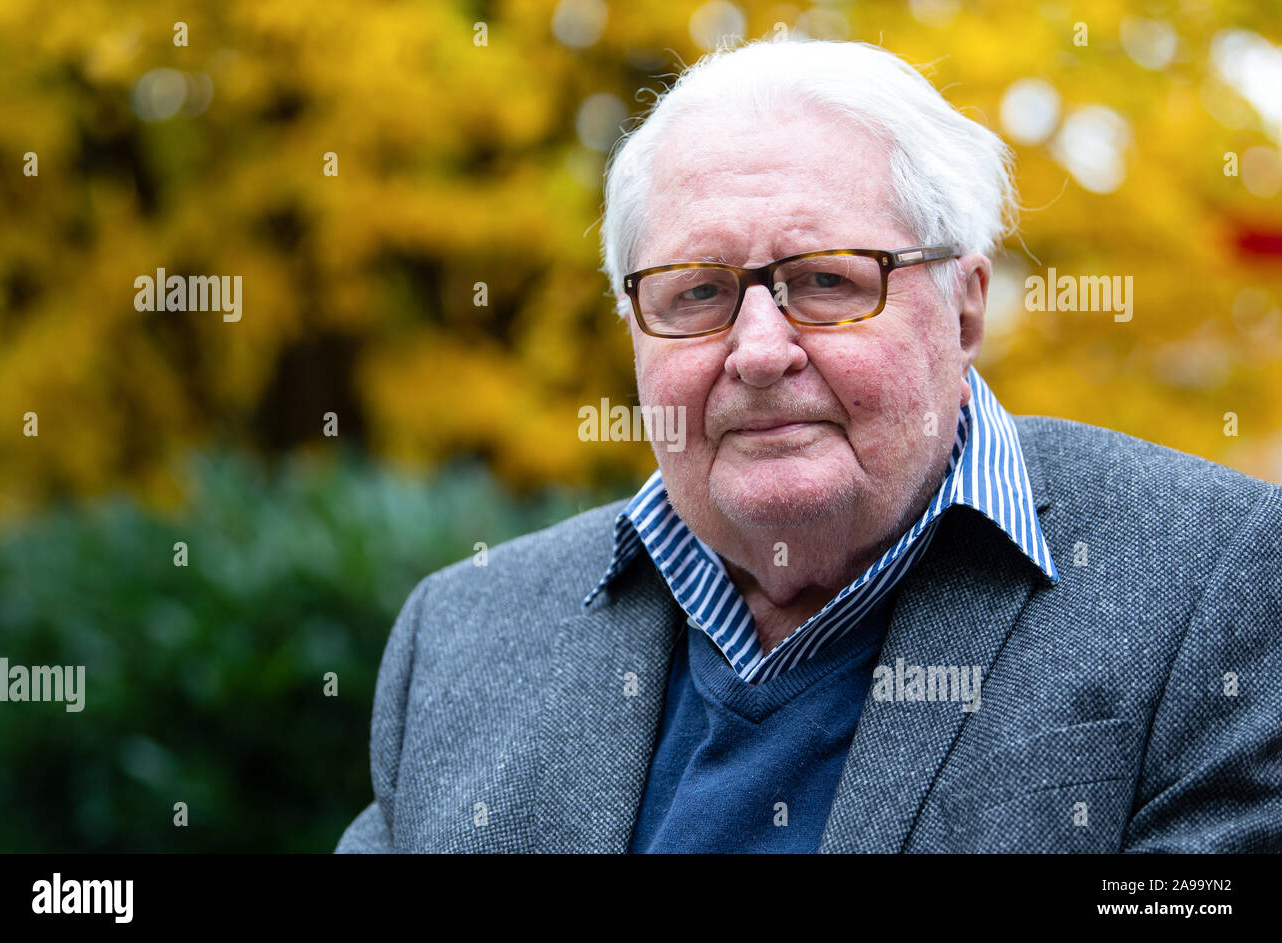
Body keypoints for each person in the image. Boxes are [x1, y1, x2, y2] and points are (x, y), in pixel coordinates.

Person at [337, 38, 1282, 853]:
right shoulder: (463, 634)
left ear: (964, 307)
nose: (756, 351)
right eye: (696, 293)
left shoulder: (1216, 582)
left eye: (827, 281)